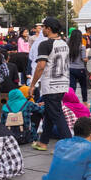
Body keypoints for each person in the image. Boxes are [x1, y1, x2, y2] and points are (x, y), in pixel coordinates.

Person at [31, 17, 72, 152]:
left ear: (48, 28)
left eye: (43, 27)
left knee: (56, 113)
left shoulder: (45, 44)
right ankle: (43, 142)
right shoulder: (64, 43)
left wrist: (32, 84)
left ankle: (70, 144)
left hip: (51, 84)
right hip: (63, 82)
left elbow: (40, 66)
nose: (42, 30)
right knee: (50, 112)